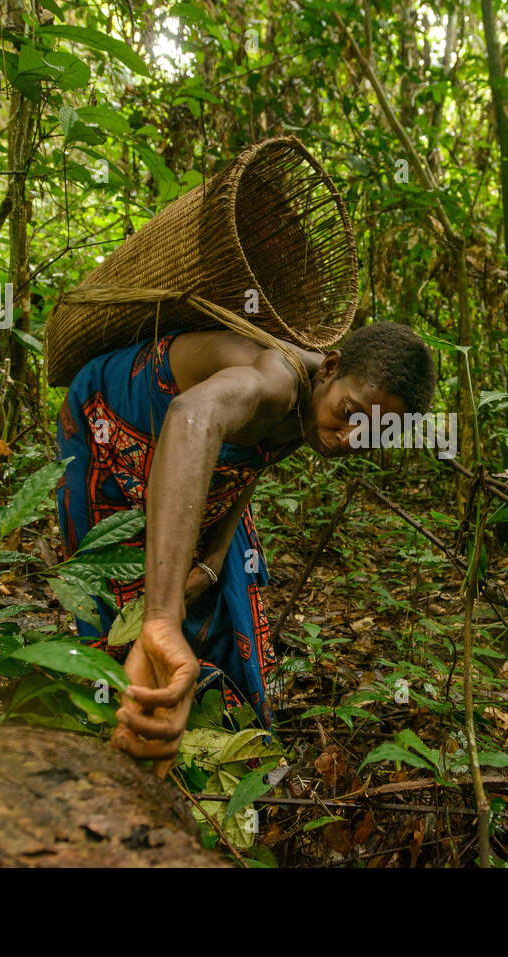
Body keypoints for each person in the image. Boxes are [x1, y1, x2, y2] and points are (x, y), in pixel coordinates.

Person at [53, 321, 436, 776]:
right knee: (114, 595)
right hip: (107, 423)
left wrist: (215, 556)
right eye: (350, 415)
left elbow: (255, 457)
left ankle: (207, 750)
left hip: (198, 465)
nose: (349, 438)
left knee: (214, 593)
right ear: (329, 369)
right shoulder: (275, 380)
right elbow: (193, 415)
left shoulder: (319, 406)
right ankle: (109, 743)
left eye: (373, 433)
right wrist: (160, 614)